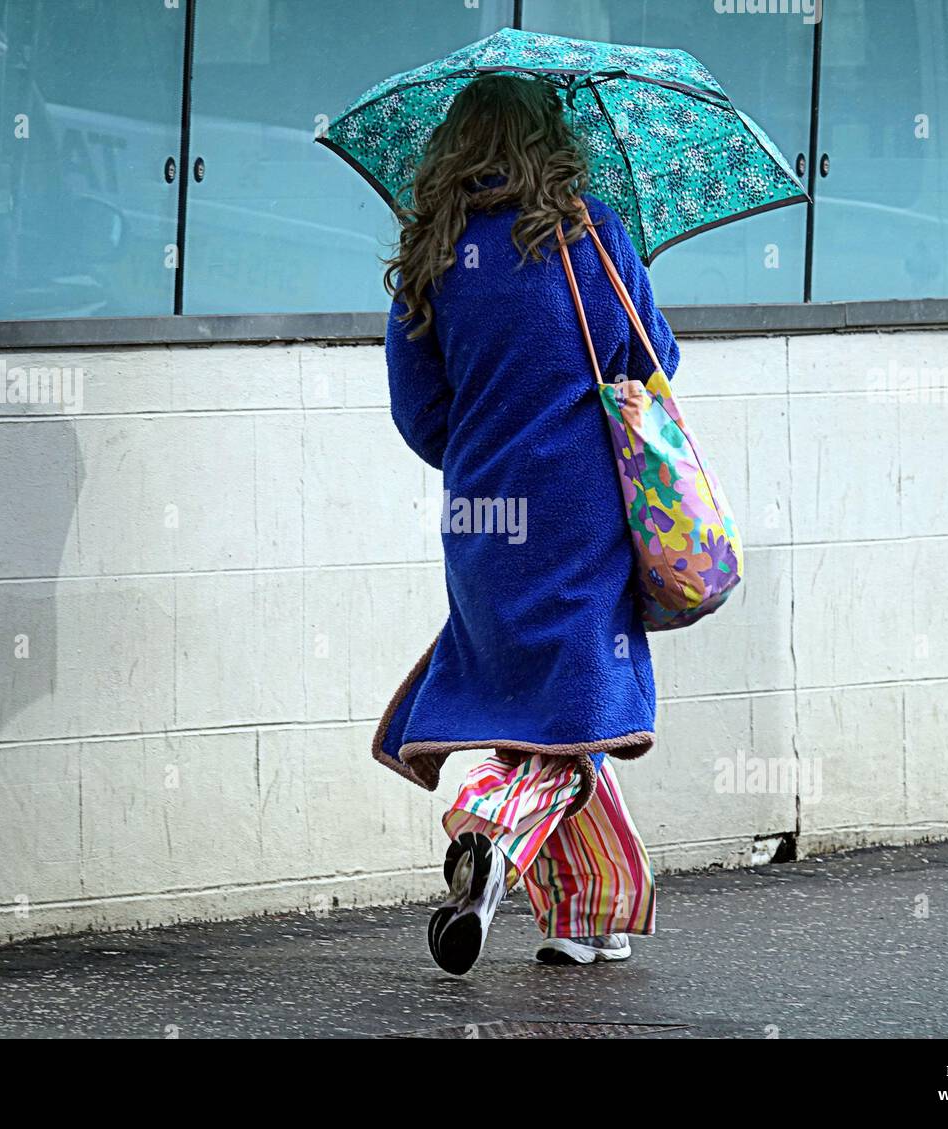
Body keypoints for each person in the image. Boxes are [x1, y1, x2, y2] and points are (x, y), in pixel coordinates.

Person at [372, 72, 680, 975]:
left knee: (541, 709)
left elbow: (418, 413)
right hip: (580, 509)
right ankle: (491, 834)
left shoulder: (431, 255)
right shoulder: (589, 231)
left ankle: (584, 914)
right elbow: (651, 360)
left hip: (477, 510)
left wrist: (484, 450)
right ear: (552, 140)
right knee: (581, 703)